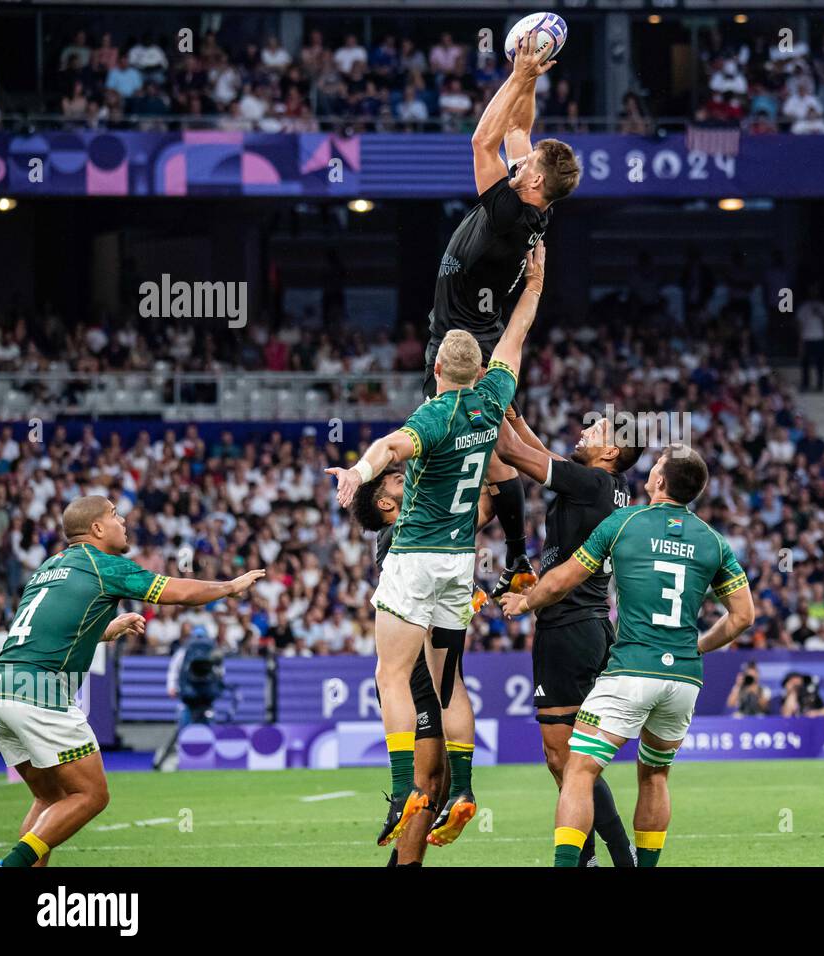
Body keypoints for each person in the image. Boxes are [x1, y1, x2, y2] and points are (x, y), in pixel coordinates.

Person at [325, 242, 544, 852]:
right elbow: (516, 337)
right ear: (477, 371)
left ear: (439, 372)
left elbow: (389, 449)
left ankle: (405, 791)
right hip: (458, 563)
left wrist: (356, 473)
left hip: (416, 556)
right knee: (450, 686)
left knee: (389, 674)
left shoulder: (435, 415)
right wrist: (533, 286)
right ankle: (465, 787)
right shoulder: (493, 398)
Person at [500, 445, 755, 867]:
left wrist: (524, 604)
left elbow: (562, 579)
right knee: (654, 775)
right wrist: (698, 646)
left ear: (659, 482)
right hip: (684, 681)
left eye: (655, 468)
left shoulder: (625, 522)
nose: (650, 473)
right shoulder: (714, 542)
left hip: (632, 669)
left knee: (578, 769)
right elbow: (743, 616)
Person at [0, 495, 265, 867]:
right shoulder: (105, 566)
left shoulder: (49, 567)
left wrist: (105, 629)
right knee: (90, 795)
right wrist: (230, 587)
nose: (124, 521)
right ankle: (10, 865)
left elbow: (47, 632)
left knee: (51, 799)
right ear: (97, 529)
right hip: (41, 692)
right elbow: (178, 592)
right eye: (116, 516)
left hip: (0, 688)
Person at [423, 28, 579, 602]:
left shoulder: (511, 211)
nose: (522, 159)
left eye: (529, 163)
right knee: (490, 452)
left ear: (534, 181)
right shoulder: (532, 203)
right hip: (486, 338)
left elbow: (483, 140)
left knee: (455, 456)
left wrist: (516, 71)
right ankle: (514, 559)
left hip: (459, 343)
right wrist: (531, 78)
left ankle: (466, 568)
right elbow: (517, 129)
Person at [493, 410, 642, 866]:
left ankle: (606, 857)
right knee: (573, 760)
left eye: (594, 431)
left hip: (568, 627)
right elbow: (542, 456)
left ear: (611, 451)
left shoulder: (594, 484)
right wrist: (513, 416)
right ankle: (607, 856)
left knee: (565, 759)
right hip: (589, 625)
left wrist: (482, 402)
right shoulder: (606, 487)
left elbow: (513, 455)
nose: (584, 432)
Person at [349, 464, 474, 867]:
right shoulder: (397, 535)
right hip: (416, 670)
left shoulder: (417, 531)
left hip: (426, 661)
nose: (410, 482)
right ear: (386, 503)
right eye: (400, 482)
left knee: (439, 779)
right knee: (430, 779)